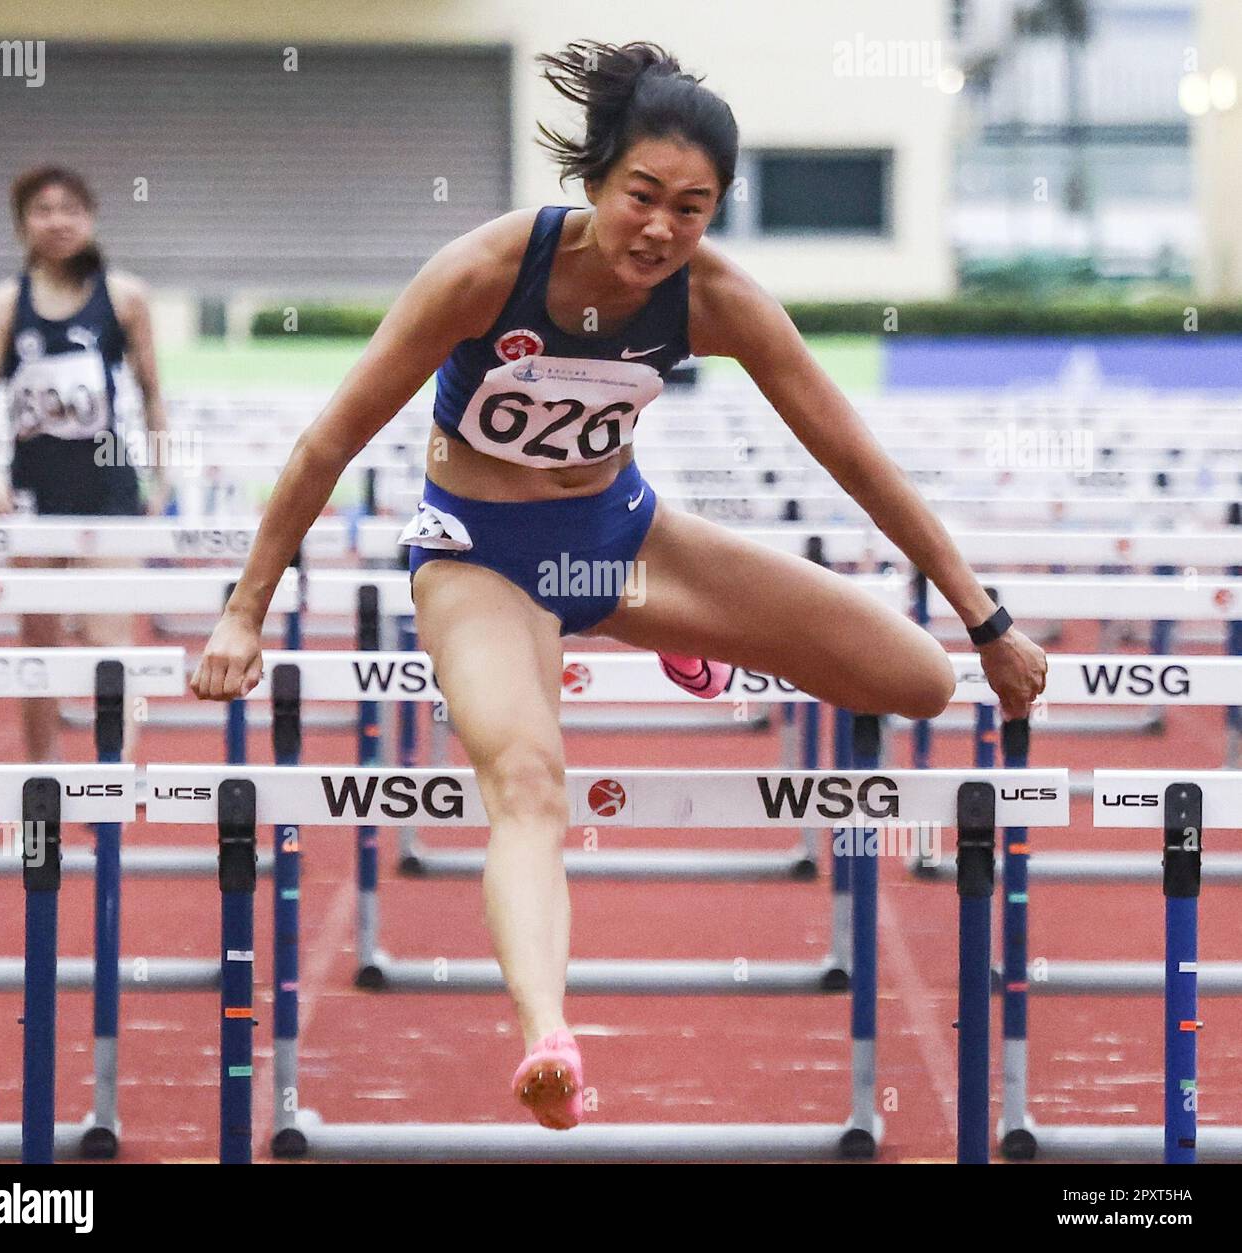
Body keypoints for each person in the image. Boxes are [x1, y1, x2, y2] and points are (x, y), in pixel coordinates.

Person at [190, 41, 1047, 1131]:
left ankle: (660, 626)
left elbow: (855, 458)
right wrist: (242, 609)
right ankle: (549, 1031)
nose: (660, 229)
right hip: (477, 556)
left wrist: (988, 621)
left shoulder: (717, 298)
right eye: (642, 196)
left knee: (915, 680)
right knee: (530, 781)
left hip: (622, 535)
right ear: (594, 180)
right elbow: (325, 445)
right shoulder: (483, 272)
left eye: (692, 209)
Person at [0, 165, 173, 763]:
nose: (58, 222)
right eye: (43, 211)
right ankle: (43, 772)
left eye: (71, 210)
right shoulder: (1, 306)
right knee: (40, 644)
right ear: (22, 224)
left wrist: (163, 472)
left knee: (112, 637)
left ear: (91, 218)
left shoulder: (127, 298)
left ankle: (117, 773)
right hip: (33, 488)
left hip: (109, 484)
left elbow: (153, 391)